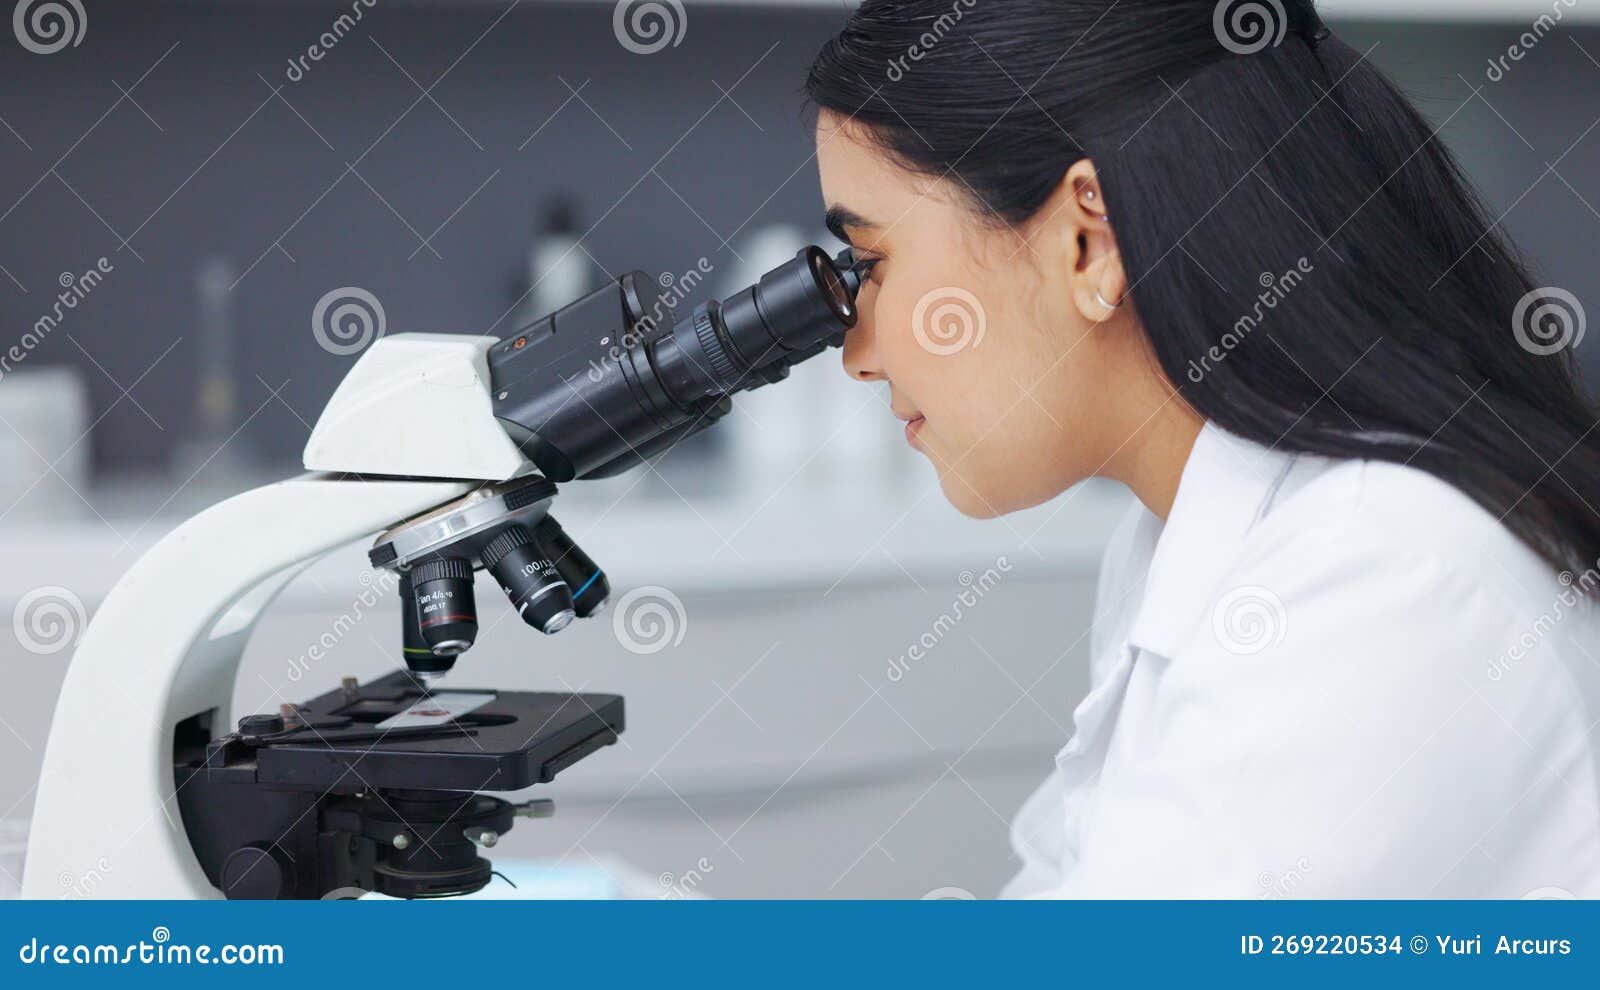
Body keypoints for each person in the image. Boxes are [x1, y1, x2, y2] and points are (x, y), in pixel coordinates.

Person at [806, 0, 1600, 897]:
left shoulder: (1384, 581)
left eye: (870, 266)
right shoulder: (1182, 537)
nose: (857, 356)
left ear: (1089, 240)